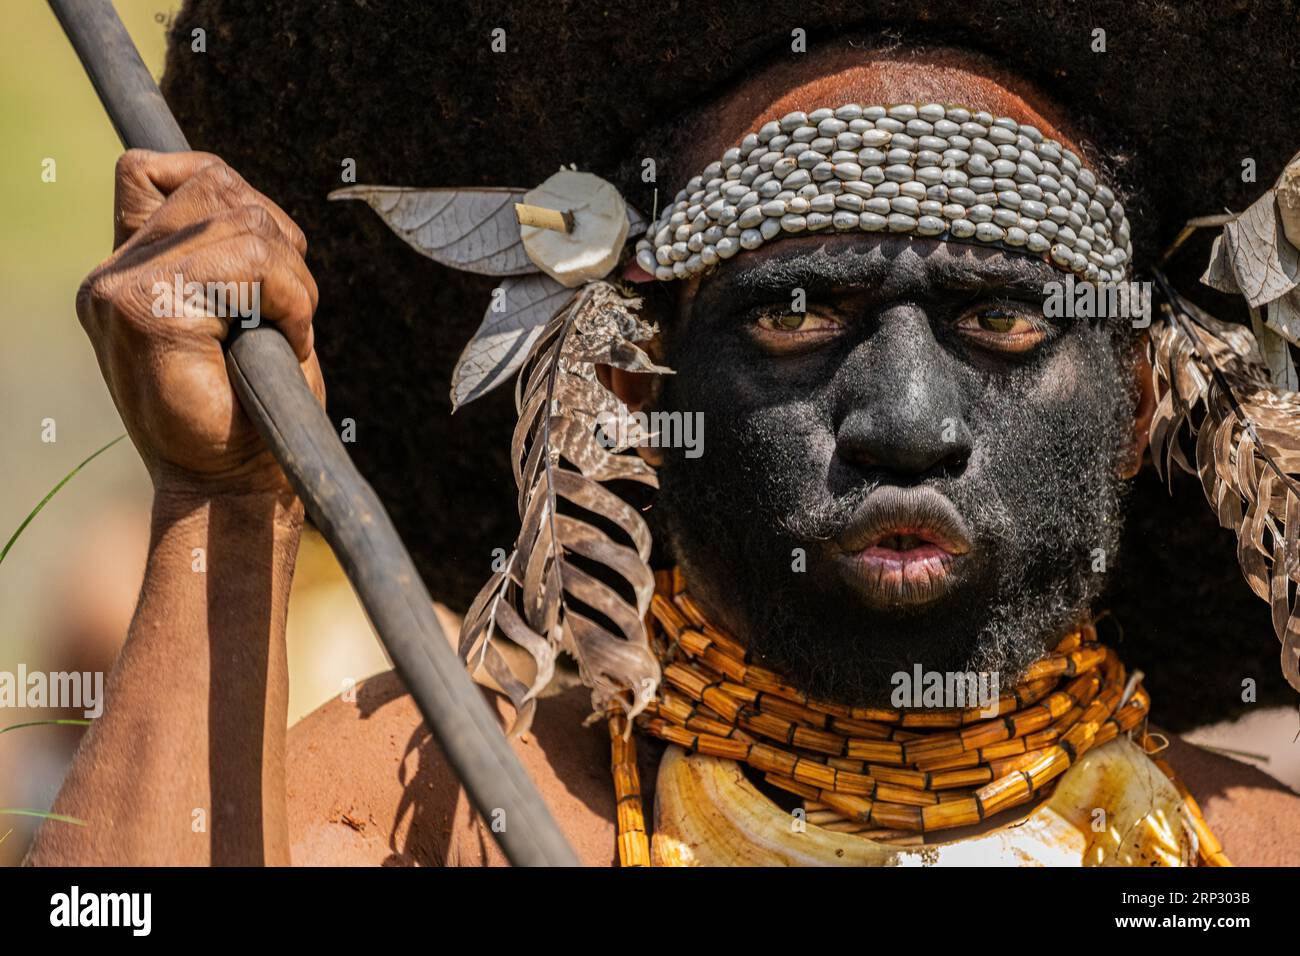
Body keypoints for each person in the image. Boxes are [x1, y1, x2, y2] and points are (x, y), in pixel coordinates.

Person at [26, 4, 1300, 866]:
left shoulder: (1242, 854)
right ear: (638, 391)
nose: (906, 423)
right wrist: (226, 502)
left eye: (1001, 319)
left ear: (1137, 403)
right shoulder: (419, 812)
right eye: (796, 313)